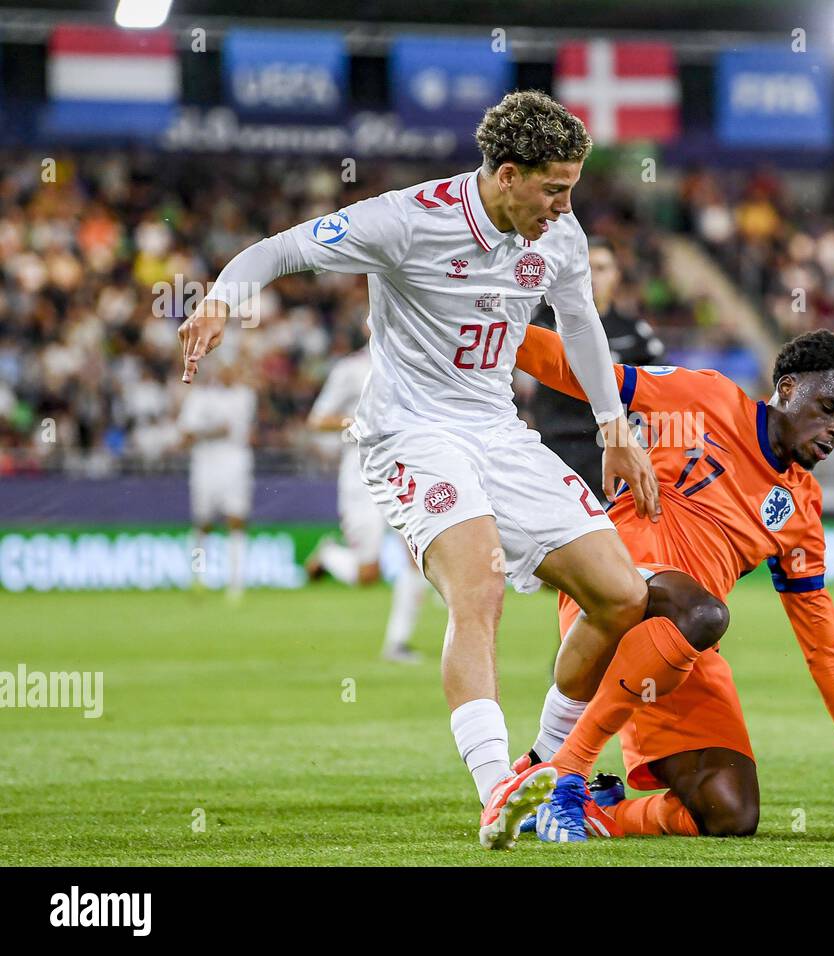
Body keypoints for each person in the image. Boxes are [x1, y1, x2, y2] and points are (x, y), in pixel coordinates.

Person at [177, 90, 662, 850]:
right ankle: (496, 785)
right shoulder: (405, 219)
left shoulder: (558, 236)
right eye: (553, 187)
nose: (566, 204)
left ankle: (542, 761)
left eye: (572, 187)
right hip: (410, 433)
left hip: (497, 430)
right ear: (506, 174)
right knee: (480, 585)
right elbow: (278, 250)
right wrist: (220, 297)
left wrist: (614, 427)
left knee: (621, 594)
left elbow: (579, 321)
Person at [510, 324, 834, 842]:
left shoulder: (801, 510)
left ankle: (602, 813)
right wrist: (492, 326)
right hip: (614, 592)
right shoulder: (705, 397)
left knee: (731, 815)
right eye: (828, 407)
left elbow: (826, 651)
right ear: (787, 388)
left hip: (679, 644)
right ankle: (566, 771)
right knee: (704, 613)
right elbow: (588, 372)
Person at [305, 340, 433, 663]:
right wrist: (356, 424)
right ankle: (329, 554)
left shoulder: (410, 361)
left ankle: (397, 644)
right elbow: (317, 420)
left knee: (416, 556)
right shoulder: (350, 369)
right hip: (360, 473)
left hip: (401, 469)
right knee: (368, 574)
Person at [521, 237, 664, 497]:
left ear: (616, 275)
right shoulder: (540, 322)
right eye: (586, 268)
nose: (593, 277)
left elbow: (659, 395)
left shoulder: (636, 333)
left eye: (601, 268)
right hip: (552, 444)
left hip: (612, 446)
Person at [177, 358, 256, 603]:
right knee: (203, 523)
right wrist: (210, 430)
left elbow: (233, 429)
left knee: (236, 520)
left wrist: (204, 430)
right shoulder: (198, 397)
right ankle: (198, 579)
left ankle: (235, 583)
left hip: (234, 462)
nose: (228, 372)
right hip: (204, 464)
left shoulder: (244, 396)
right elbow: (185, 435)